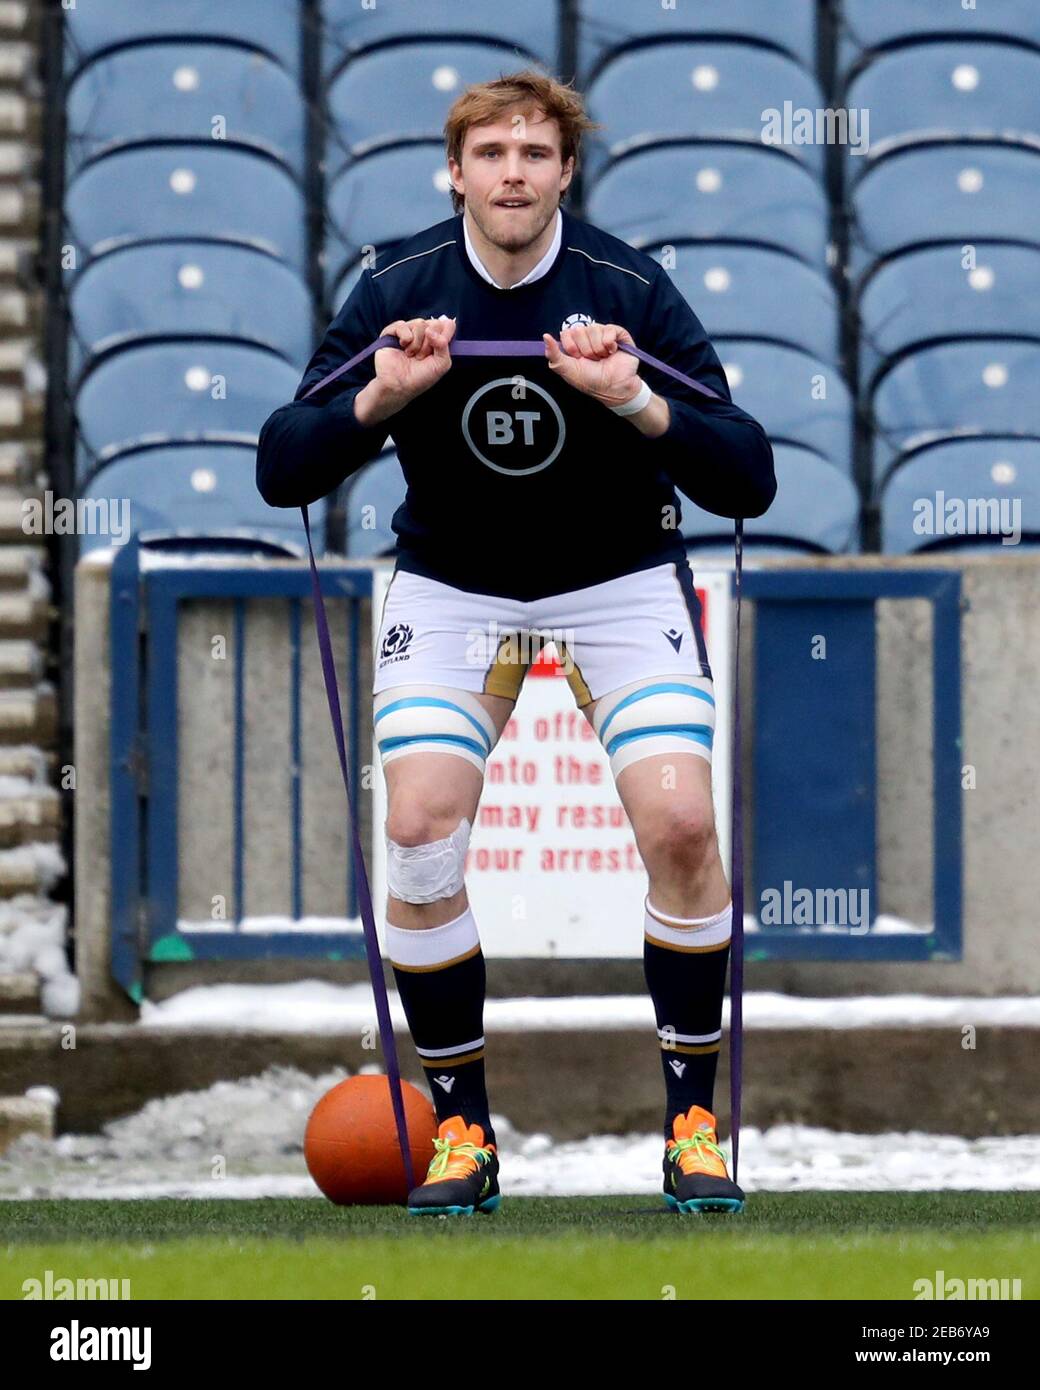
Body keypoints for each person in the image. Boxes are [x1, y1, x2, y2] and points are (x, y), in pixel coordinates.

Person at [256, 69, 775, 1216]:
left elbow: (746, 472)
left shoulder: (626, 286)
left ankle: (692, 1121)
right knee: (418, 828)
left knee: (684, 823)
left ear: (564, 172)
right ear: (455, 172)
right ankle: (462, 1135)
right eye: (489, 155)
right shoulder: (397, 283)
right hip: (455, 585)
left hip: (616, 579)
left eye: (533, 155)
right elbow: (282, 465)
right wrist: (379, 398)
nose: (510, 175)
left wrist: (634, 398)